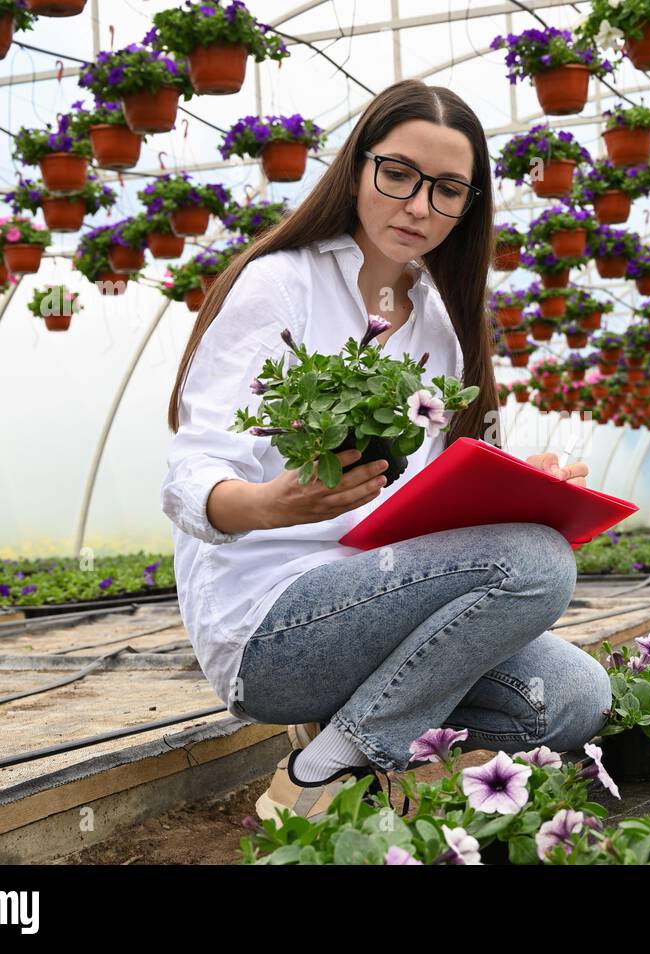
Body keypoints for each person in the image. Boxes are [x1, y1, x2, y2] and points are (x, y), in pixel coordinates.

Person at [161, 80, 612, 823]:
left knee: (571, 698)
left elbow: (423, 498)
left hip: (377, 605)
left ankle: (359, 733)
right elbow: (190, 478)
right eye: (398, 175)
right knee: (534, 562)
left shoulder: (439, 320)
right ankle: (321, 773)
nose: (418, 207)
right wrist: (272, 503)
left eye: (447, 191)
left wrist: (523, 490)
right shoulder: (282, 284)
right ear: (357, 167)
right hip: (271, 627)